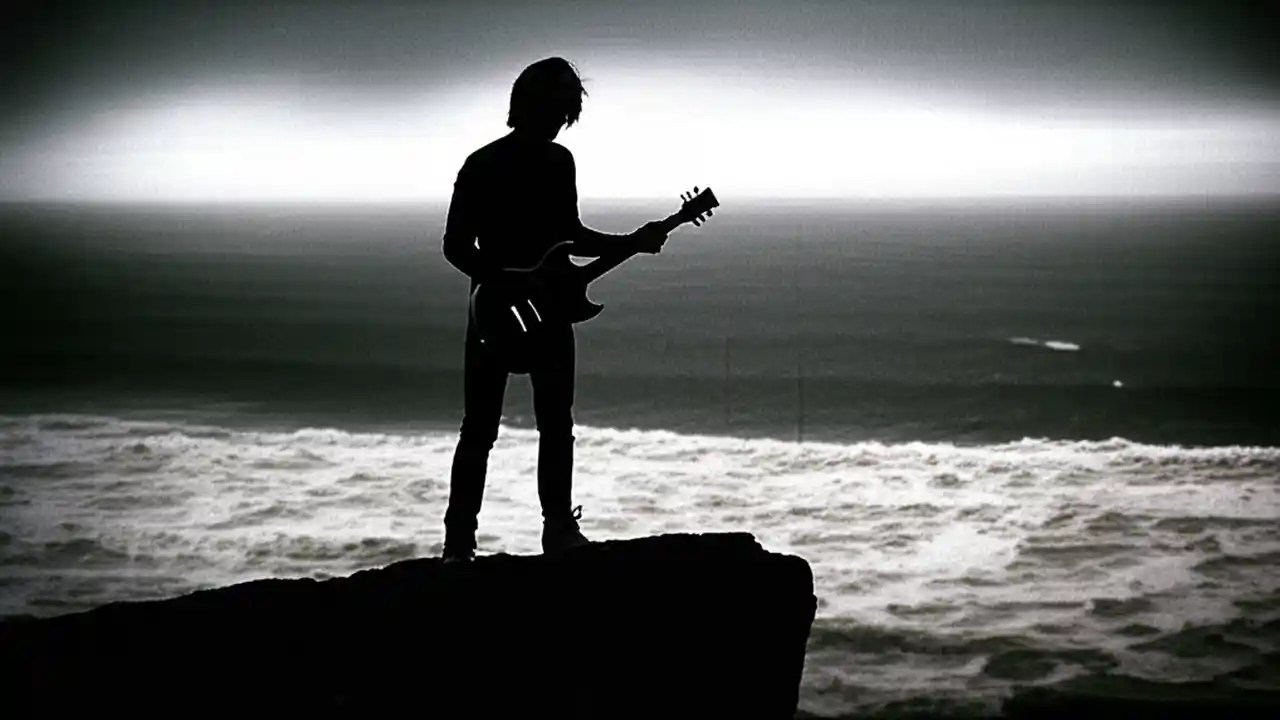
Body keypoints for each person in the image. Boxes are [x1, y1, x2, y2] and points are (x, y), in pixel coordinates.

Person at [440, 57, 669, 562]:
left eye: (566, 112)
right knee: (480, 429)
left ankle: (558, 530)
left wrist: (631, 241)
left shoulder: (560, 162)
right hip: (492, 313)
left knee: (555, 425)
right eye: (556, 109)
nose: (561, 121)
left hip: (549, 310)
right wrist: (509, 279)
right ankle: (458, 542)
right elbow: (455, 246)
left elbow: (572, 235)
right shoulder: (481, 164)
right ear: (530, 105)